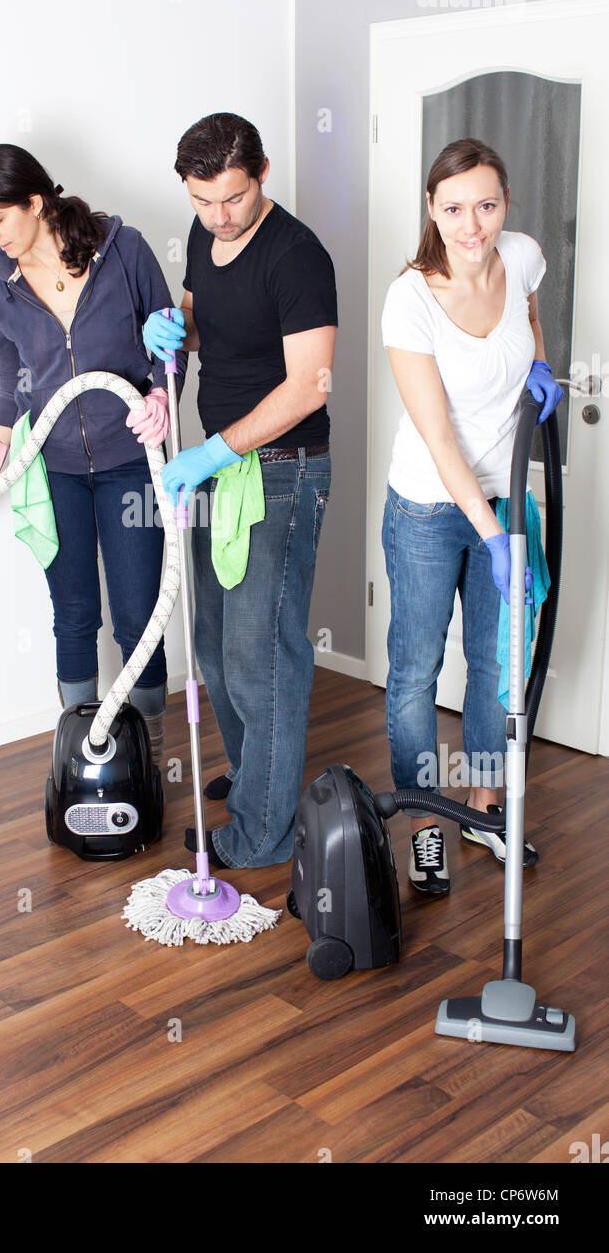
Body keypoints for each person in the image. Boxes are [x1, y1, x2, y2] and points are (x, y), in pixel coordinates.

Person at [143, 112, 338, 869]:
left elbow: (307, 387)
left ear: (261, 172)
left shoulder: (297, 256)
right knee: (218, 649)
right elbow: (203, 324)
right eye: (203, 202)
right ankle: (256, 776)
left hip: (281, 471)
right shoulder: (204, 234)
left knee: (264, 657)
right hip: (219, 466)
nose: (220, 217)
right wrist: (172, 327)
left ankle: (263, 833)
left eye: (233, 197)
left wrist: (210, 453)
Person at [0, 144, 186, 762]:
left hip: (132, 462)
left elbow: (169, 342)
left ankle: (149, 751)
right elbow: (12, 384)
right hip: (53, 468)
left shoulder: (122, 249)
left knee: (140, 614)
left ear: (34, 202)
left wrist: (162, 395)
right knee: (74, 613)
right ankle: (82, 752)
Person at [380, 137, 564, 896]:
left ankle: (487, 809)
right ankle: (427, 824)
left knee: (497, 666)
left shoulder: (519, 257)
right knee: (417, 671)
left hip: (505, 497)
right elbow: (438, 435)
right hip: (429, 506)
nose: (472, 224)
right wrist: (493, 537)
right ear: (432, 209)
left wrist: (543, 365)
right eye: (454, 208)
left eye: (486, 205)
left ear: (506, 203)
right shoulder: (411, 298)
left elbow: (528, 316)